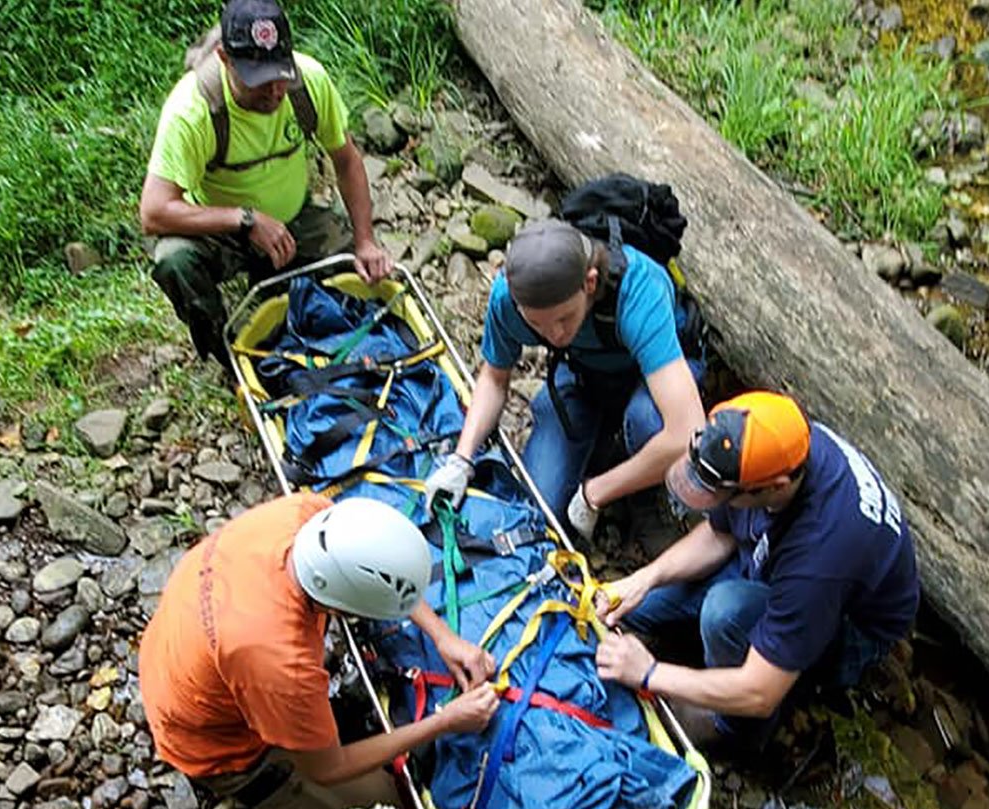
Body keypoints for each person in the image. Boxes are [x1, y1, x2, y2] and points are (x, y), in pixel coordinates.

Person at [139, 494, 499, 809]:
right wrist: (444, 722)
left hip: (176, 649)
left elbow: (384, 574)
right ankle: (277, 800)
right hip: (212, 744)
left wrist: (442, 637)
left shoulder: (307, 517)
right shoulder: (280, 661)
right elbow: (329, 768)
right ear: (339, 606)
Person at [594, 390, 919, 750]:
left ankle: (734, 729)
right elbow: (720, 534)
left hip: (850, 623)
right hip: (773, 558)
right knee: (637, 608)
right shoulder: (768, 442)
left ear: (775, 487)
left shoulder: (822, 555)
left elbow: (760, 691)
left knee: (724, 611)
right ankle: (706, 655)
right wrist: (644, 579)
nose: (712, 502)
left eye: (724, 495)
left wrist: (651, 674)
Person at [139, 0, 392, 365]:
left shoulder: (308, 82)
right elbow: (153, 212)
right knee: (174, 260)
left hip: (293, 219)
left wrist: (366, 241)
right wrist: (246, 220)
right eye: (259, 80)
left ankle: (282, 277)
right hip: (223, 230)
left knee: (359, 279)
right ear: (225, 59)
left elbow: (347, 160)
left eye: (280, 74)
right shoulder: (192, 111)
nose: (275, 91)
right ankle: (227, 354)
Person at [423, 219, 706, 540]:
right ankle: (609, 452)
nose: (555, 335)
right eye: (538, 325)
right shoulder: (507, 299)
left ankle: (649, 497)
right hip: (585, 375)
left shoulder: (638, 290)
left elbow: (687, 430)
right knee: (542, 507)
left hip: (657, 377)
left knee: (648, 422)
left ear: (589, 282)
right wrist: (462, 459)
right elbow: (494, 378)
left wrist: (594, 493)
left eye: (564, 318)